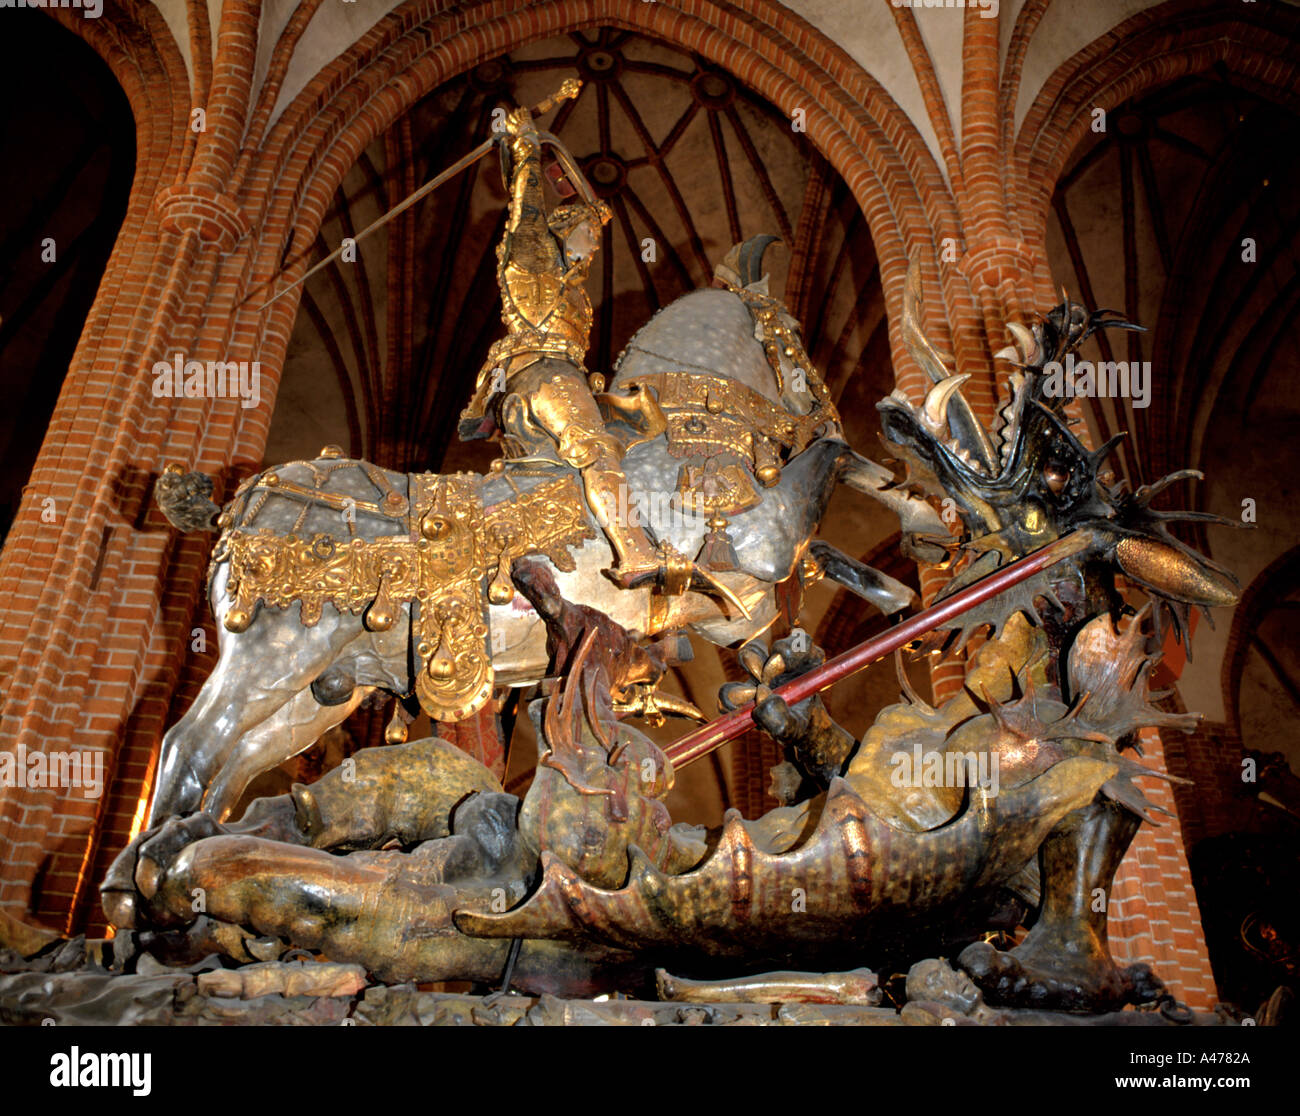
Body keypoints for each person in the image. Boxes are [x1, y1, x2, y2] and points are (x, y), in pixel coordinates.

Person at [459, 102, 738, 608]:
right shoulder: (534, 263)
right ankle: (635, 554)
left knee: (631, 434)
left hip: (553, 378)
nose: (592, 246)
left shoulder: (572, 287)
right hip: (538, 374)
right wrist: (525, 153)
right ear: (564, 231)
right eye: (587, 234)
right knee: (596, 447)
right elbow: (526, 215)